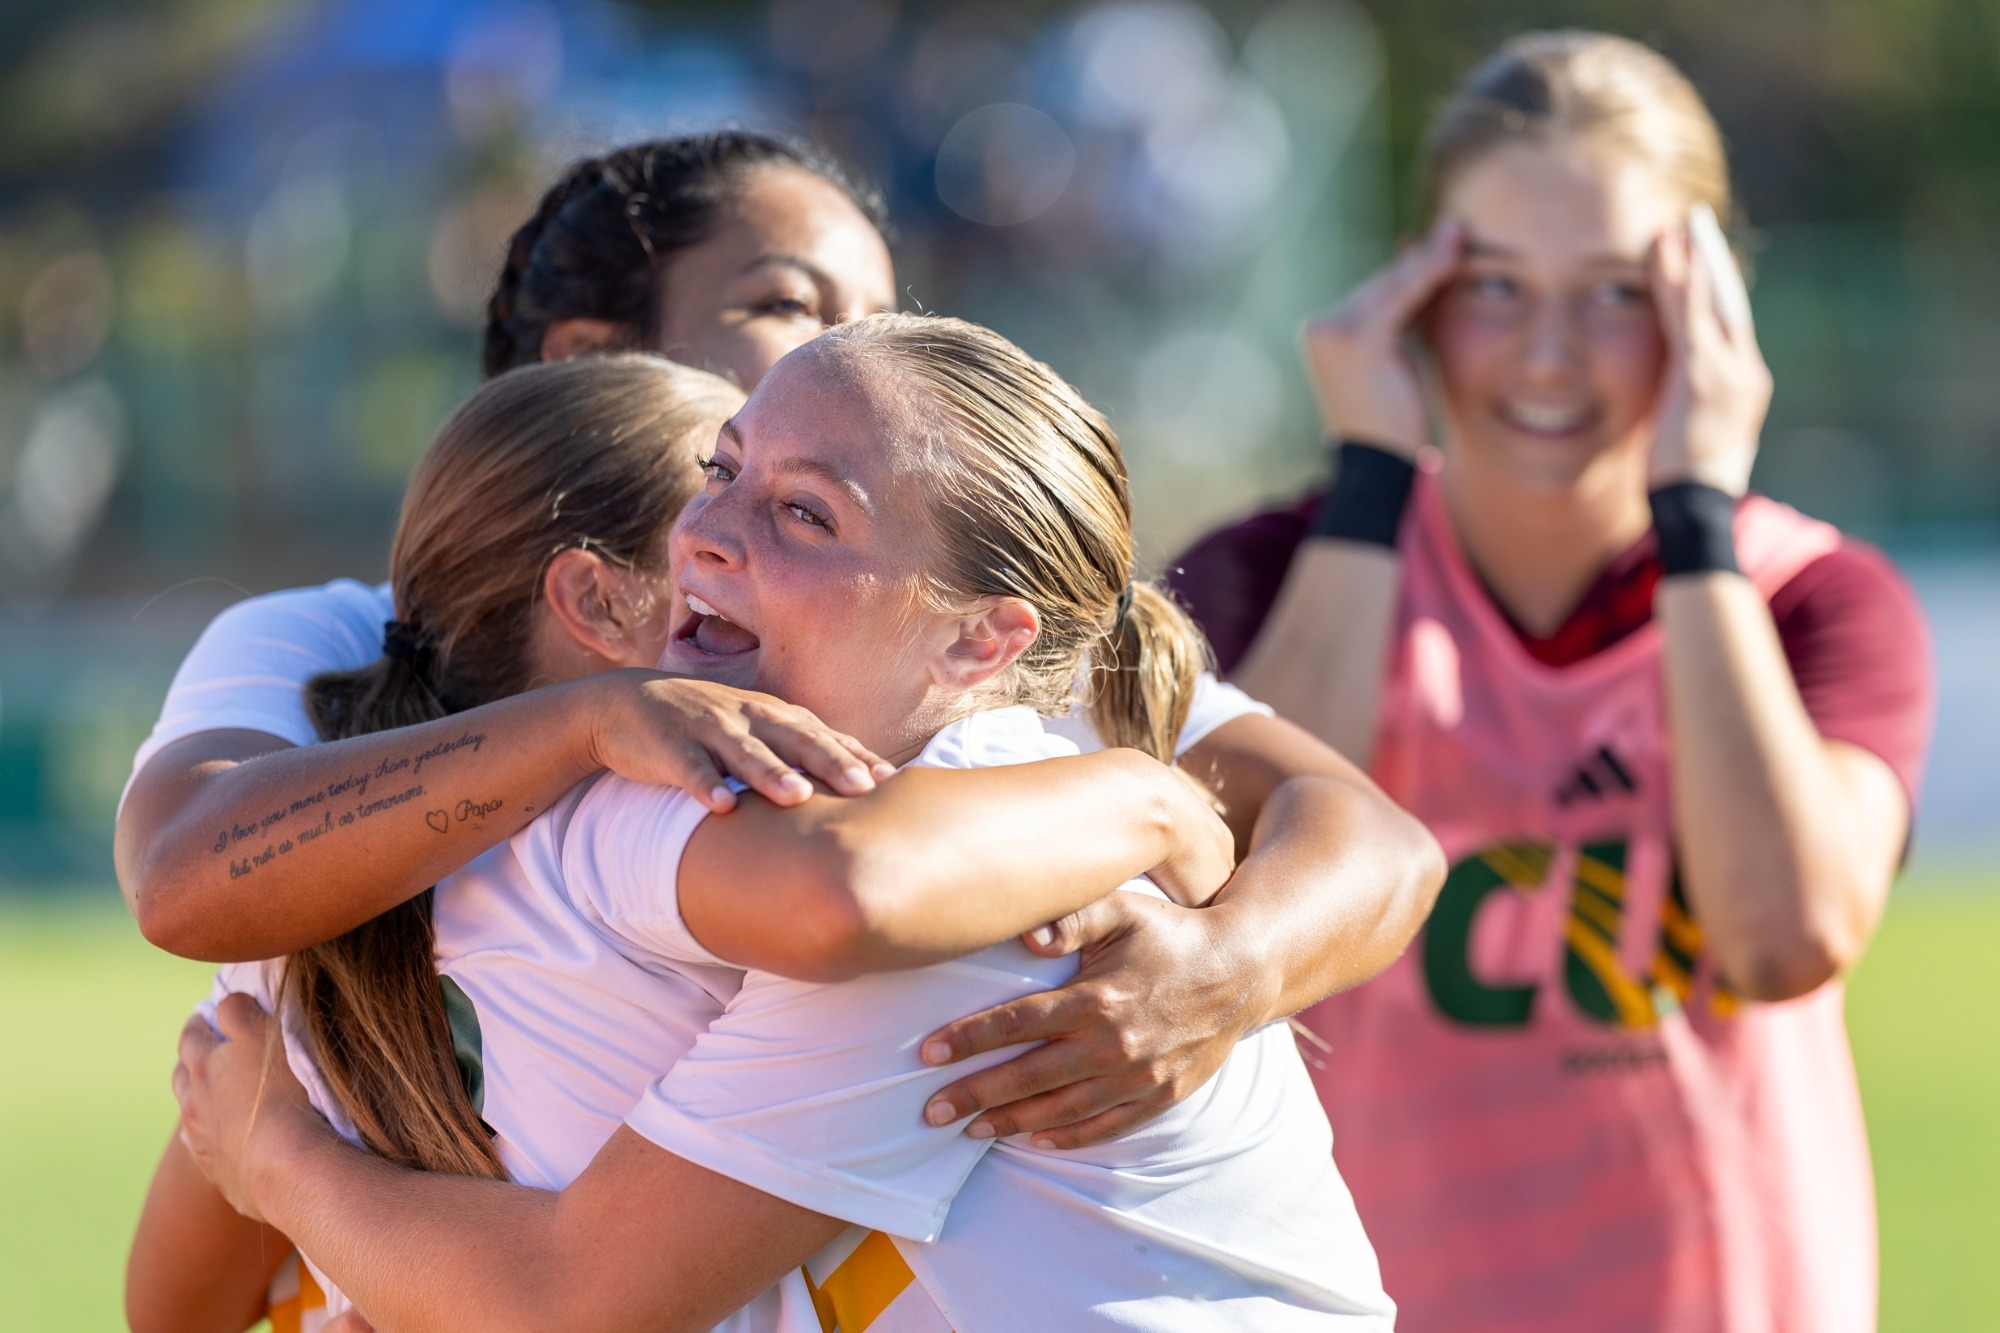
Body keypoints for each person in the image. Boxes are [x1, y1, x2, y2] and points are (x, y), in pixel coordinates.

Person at [118, 129, 1440, 1167]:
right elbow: (187, 884)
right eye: (792, 302)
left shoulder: (971, 647)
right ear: (590, 353)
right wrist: (580, 726)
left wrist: (1223, 972)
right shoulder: (353, 637)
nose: (859, 344)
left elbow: (1373, 842)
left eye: (880, 309)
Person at [172, 314, 1404, 1332]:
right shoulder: (674, 800)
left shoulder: (998, 878)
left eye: (805, 513)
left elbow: (565, 1299)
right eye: (718, 473)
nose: (706, 532)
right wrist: (1155, 797)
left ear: (982, 639)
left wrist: (282, 1163)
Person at [1168, 31, 1934, 1332]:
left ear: (1709, 303)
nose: (1546, 356)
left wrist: (1695, 515)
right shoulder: (1268, 569)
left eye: (1615, 293)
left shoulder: (1813, 599)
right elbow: (1224, 886)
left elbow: (1783, 936)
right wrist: (1369, 478)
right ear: (1414, 290)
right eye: (1494, 286)